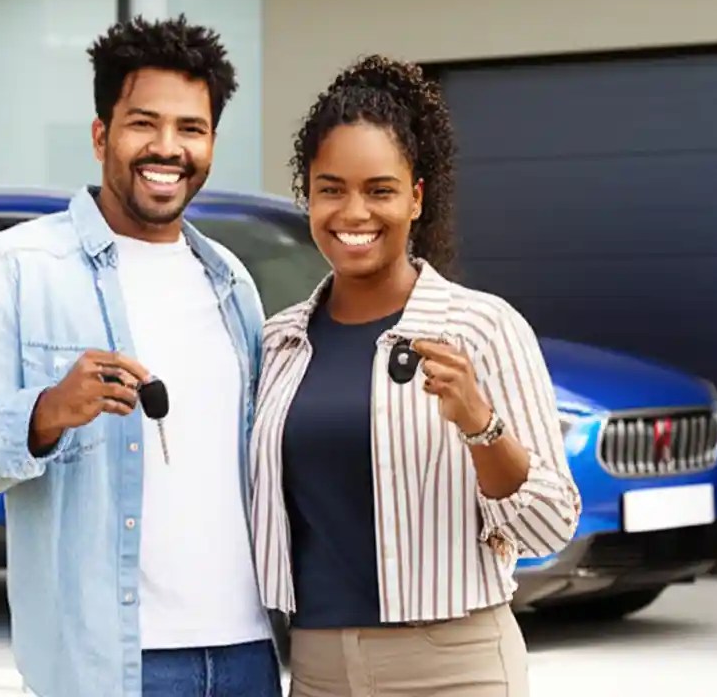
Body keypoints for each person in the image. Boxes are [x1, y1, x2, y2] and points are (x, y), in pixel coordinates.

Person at [0, 16, 281, 697]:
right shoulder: (18, 267)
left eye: (191, 129)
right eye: (143, 123)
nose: (168, 148)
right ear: (101, 135)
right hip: (114, 668)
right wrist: (46, 412)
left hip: (247, 655)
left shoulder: (230, 281)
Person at [249, 55, 583, 696]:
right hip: (317, 664)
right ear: (308, 195)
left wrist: (482, 427)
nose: (354, 212)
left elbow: (549, 523)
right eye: (331, 188)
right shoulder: (280, 343)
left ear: (416, 197)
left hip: (453, 664)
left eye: (379, 189)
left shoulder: (481, 327)